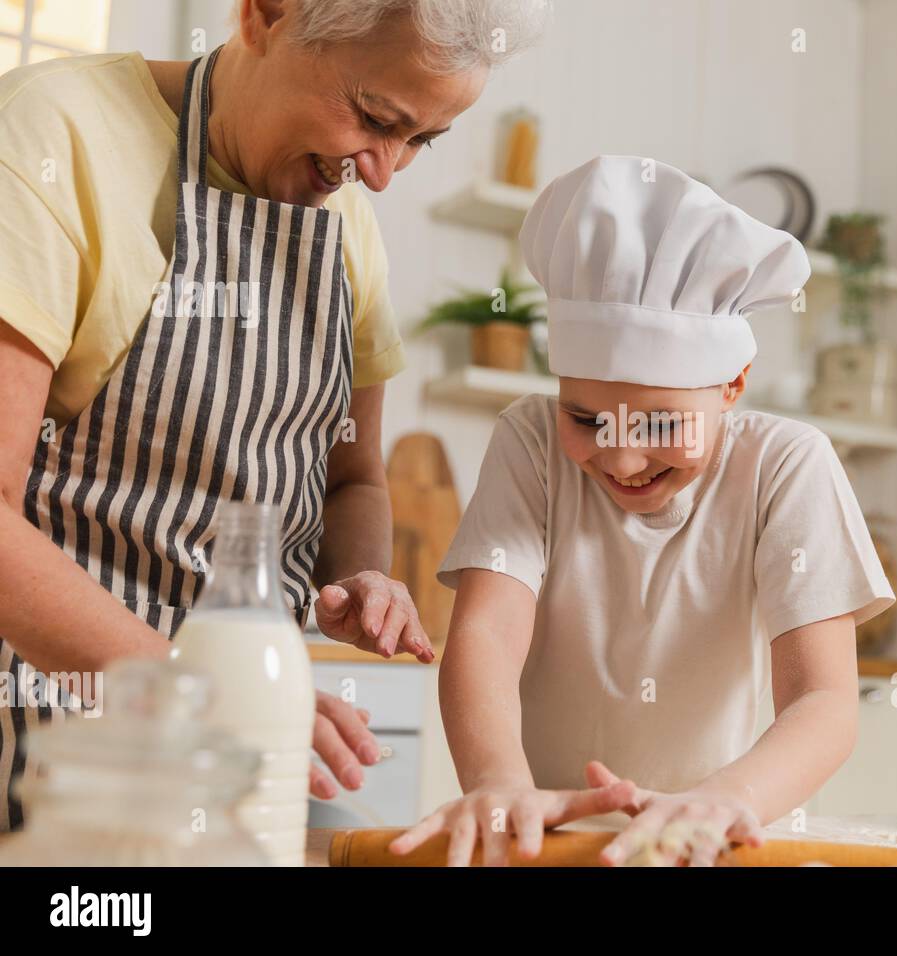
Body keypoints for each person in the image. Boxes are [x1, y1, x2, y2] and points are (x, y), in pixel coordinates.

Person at [0, 0, 550, 831]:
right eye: (375, 117)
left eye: (420, 140)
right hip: (51, 752)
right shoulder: (52, 135)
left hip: (244, 771)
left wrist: (358, 577)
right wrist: (195, 692)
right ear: (266, 15)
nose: (384, 172)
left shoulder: (348, 229)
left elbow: (352, 475)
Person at [391, 155, 896, 866]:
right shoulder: (528, 442)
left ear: (733, 384)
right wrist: (500, 785)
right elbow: (486, 639)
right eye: (586, 418)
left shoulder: (786, 464)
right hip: (546, 842)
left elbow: (824, 700)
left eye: (659, 424)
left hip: (718, 838)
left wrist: (729, 798)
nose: (622, 460)